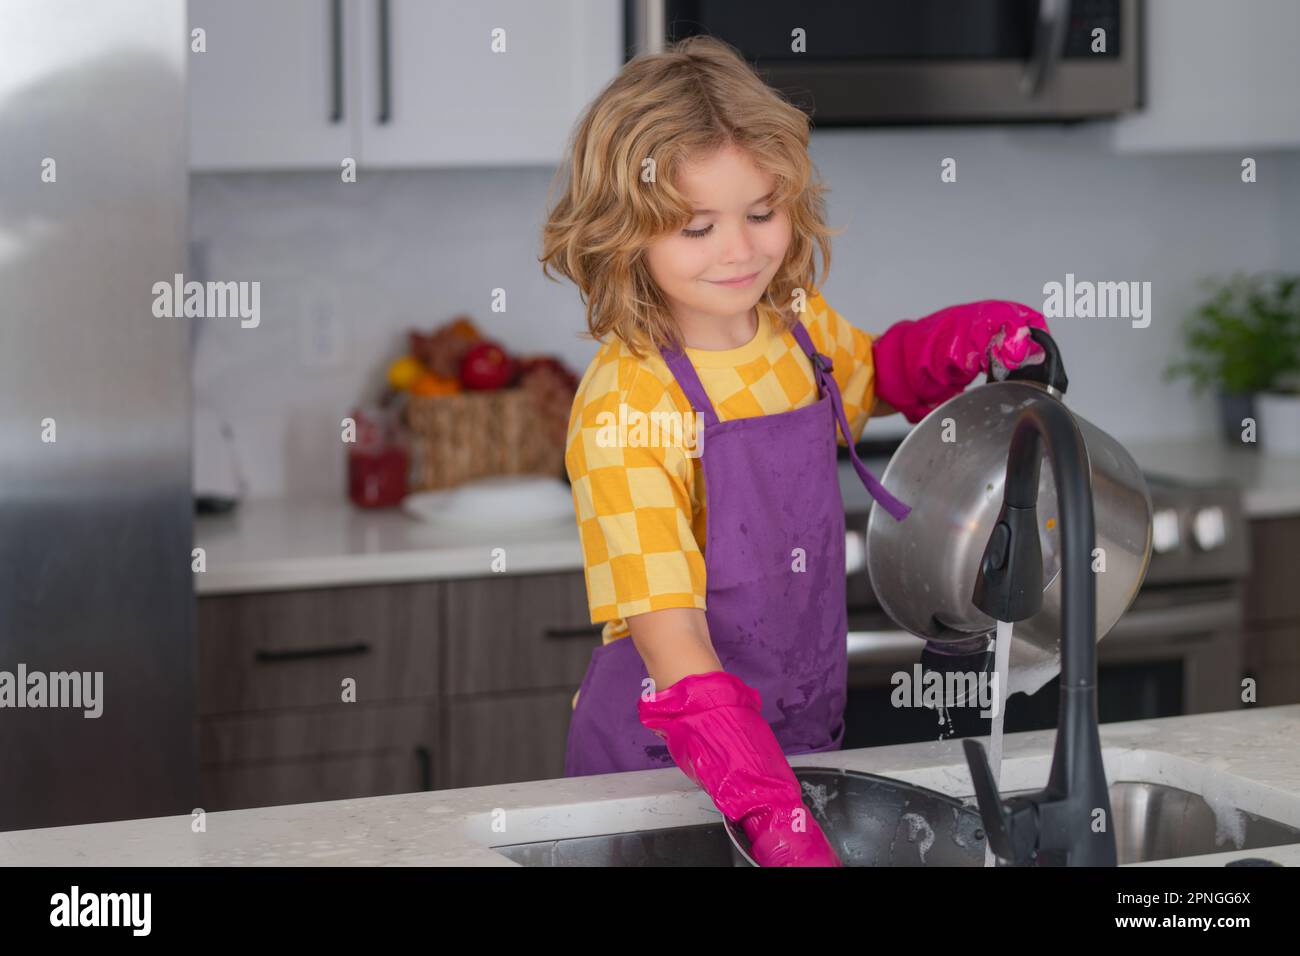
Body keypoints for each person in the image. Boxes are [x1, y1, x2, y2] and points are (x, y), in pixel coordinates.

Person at [538, 35, 1047, 867]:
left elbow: (875, 373)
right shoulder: (628, 405)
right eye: (697, 227)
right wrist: (774, 819)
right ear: (623, 232)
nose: (739, 251)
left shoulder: (794, 326)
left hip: (802, 740)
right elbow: (676, 651)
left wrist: (966, 340)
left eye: (762, 213)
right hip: (668, 779)